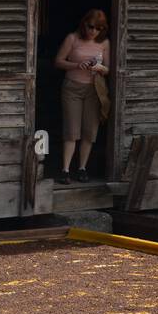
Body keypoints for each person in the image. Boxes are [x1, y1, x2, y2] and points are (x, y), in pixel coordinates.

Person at [54, 10, 111, 184]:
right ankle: (65, 170)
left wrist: (99, 68)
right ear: (84, 24)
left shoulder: (104, 43)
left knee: (89, 131)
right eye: (91, 26)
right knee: (71, 130)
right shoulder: (72, 38)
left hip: (94, 89)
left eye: (99, 28)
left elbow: (109, 69)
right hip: (72, 88)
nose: (94, 31)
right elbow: (58, 61)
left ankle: (82, 168)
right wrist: (78, 65)